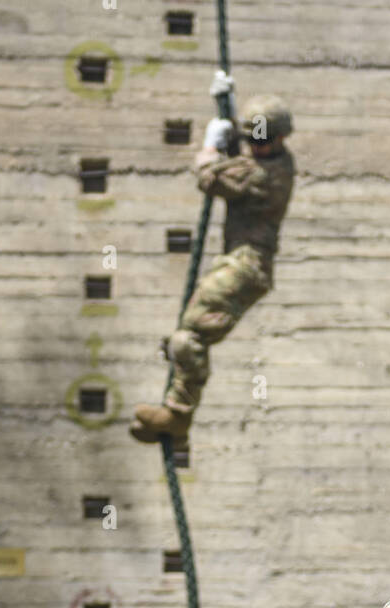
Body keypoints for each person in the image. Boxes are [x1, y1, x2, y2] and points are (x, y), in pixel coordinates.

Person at [130, 74, 295, 444]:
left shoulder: (262, 176)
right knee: (188, 334)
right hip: (242, 262)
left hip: (245, 265)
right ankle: (176, 406)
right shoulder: (274, 160)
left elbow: (211, 178)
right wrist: (229, 110)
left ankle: (177, 415)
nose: (259, 147)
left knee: (189, 338)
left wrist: (208, 147)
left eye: (264, 141)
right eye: (254, 140)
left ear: (281, 139)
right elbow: (240, 157)